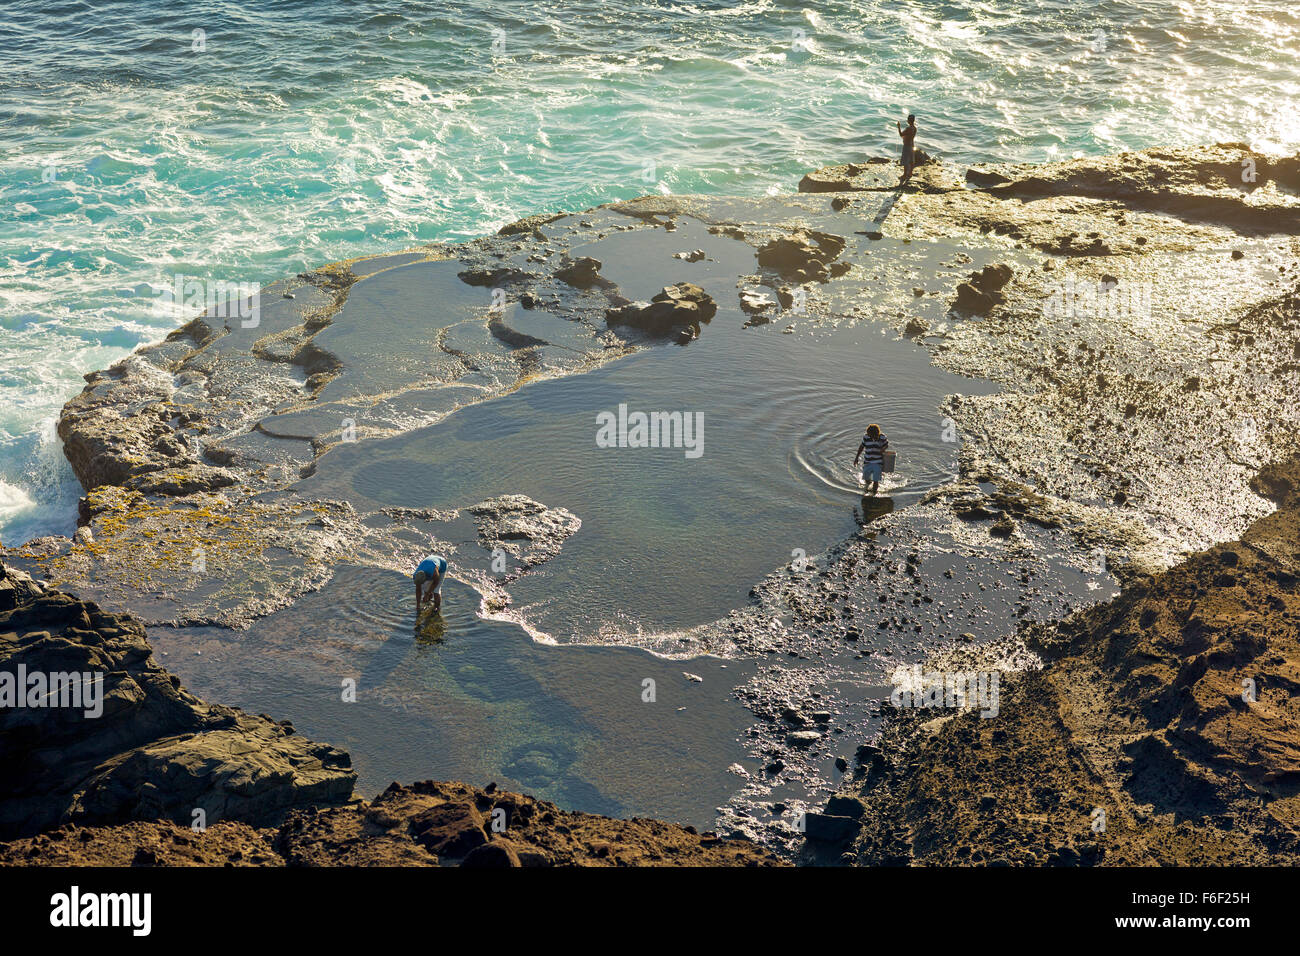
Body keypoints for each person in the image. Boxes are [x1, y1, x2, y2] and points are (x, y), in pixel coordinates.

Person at [853, 423, 889, 497]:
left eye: (873, 435)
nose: (871, 437)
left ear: (877, 433)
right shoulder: (866, 437)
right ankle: (867, 489)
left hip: (878, 462)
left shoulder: (882, 438)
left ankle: (874, 494)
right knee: (867, 479)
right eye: (870, 435)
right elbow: (861, 447)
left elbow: (886, 445)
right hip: (868, 461)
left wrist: (883, 448)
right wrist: (856, 458)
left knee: (876, 480)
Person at [897, 114, 916, 185]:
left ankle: (905, 175)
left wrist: (898, 127)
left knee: (905, 160)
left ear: (908, 120)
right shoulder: (914, 128)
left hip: (907, 145)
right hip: (912, 145)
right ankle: (910, 173)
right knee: (911, 160)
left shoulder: (908, 128)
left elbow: (901, 134)